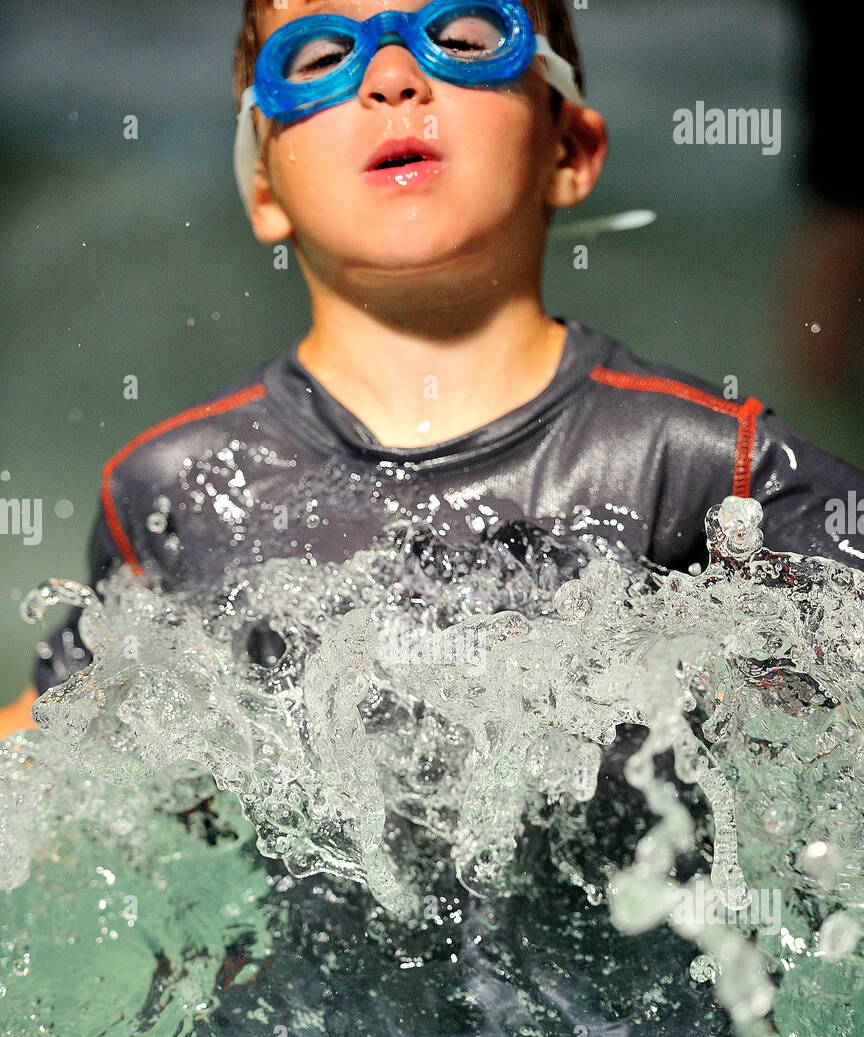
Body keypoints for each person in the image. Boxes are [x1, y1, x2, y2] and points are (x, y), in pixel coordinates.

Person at [2, 0, 861, 733]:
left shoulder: (711, 470)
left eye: (463, 36)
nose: (391, 80)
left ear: (569, 150)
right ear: (262, 187)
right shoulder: (174, 494)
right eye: (323, 55)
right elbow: (56, 758)